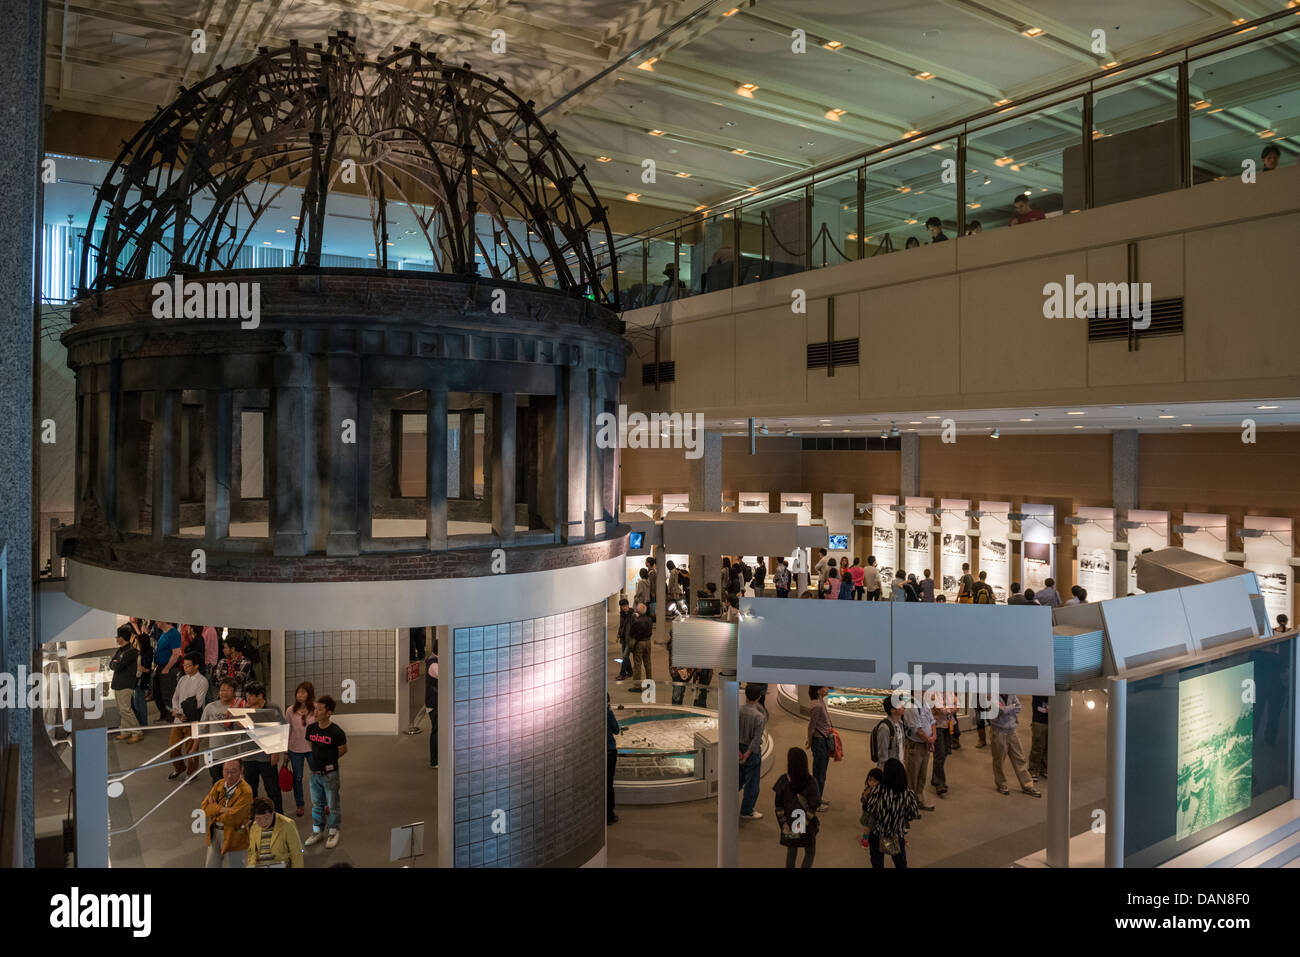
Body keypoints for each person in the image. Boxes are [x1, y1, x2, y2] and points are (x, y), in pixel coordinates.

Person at [305, 694, 347, 849]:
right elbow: (310, 744)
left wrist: (328, 761)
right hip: (314, 774)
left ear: (329, 713)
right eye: (315, 708)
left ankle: (333, 831)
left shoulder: (336, 732)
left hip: (330, 775)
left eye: (319, 709)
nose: (315, 712)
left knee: (333, 804)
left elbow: (343, 750)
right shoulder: (311, 729)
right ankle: (317, 831)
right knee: (316, 804)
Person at [861, 757, 919, 869]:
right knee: (901, 864)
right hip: (896, 834)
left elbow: (868, 809)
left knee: (877, 863)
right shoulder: (908, 794)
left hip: (877, 834)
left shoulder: (878, 791)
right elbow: (912, 815)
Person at [773, 747, 821, 868]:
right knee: (810, 851)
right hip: (807, 826)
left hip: (789, 824)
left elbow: (778, 805)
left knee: (791, 851)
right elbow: (814, 806)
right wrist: (803, 824)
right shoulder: (811, 782)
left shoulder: (783, 780)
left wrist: (784, 823)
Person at [241, 680, 284, 813]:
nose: (247, 698)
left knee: (273, 789)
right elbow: (242, 734)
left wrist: (276, 752)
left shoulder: (273, 708)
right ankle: (254, 816)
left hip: (266, 756)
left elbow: (281, 730)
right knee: (250, 789)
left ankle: (278, 815)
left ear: (260, 696)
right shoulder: (245, 710)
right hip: (249, 756)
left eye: (250, 695)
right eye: (246, 695)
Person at [200, 758, 252, 868]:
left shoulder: (246, 791)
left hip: (235, 835)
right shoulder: (218, 784)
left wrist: (214, 810)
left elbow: (235, 818)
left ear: (241, 770)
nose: (229, 775)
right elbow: (205, 807)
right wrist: (222, 809)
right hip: (215, 833)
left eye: (233, 771)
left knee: (234, 865)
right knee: (211, 865)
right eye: (226, 771)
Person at [167, 653, 209, 780]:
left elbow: (198, 703)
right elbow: (175, 697)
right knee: (173, 747)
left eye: (188, 665)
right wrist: (176, 711)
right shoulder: (182, 679)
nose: (185, 668)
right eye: (184, 665)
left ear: (196, 666)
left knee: (191, 749)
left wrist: (181, 712)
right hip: (178, 720)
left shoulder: (202, 681)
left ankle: (192, 773)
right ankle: (179, 767)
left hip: (192, 720)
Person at [990, 694, 1041, 797]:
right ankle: (1001, 784)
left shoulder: (1011, 693)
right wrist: (1012, 706)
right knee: (999, 760)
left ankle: (1027, 785)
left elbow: (1019, 707)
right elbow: (1000, 711)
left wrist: (1008, 708)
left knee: (1020, 758)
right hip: (998, 732)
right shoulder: (991, 695)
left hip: (1012, 731)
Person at [200, 678, 244, 783]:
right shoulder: (210, 707)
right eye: (222, 690)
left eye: (228, 690)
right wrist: (193, 747)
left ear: (234, 692)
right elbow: (201, 729)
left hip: (233, 753)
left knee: (232, 781)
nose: (224, 692)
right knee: (216, 781)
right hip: (213, 753)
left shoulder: (240, 707)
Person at [902, 692, 936, 811]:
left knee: (922, 775)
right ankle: (910, 805)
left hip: (925, 745)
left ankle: (919, 801)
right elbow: (917, 730)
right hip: (915, 746)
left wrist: (932, 738)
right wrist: (929, 740)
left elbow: (932, 721)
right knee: (912, 776)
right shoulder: (911, 707)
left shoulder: (924, 704)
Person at [284, 682, 315, 817]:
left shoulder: (315, 708)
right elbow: (287, 730)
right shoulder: (290, 710)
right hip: (295, 749)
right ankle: (300, 804)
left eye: (303, 692)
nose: (300, 695)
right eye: (298, 692)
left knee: (318, 777)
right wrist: (285, 751)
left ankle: (323, 803)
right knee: (297, 778)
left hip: (313, 749)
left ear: (309, 694)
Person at [247, 796, 304, 868]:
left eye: (266, 817)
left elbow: (296, 854)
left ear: (272, 812)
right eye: (258, 819)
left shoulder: (287, 824)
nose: (263, 822)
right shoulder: (254, 826)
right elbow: (251, 852)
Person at [738, 685, 767, 821]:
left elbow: (733, 731)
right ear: (759, 697)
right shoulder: (760, 717)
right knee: (752, 784)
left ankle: (725, 800)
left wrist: (738, 751)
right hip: (752, 753)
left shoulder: (737, 711)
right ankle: (747, 811)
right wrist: (747, 754)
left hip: (738, 749)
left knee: (737, 778)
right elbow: (756, 739)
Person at [109, 626, 142, 743]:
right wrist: (114, 663)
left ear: (122, 638)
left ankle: (137, 732)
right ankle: (125, 731)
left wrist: (115, 663)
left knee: (125, 710)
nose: (116, 639)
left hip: (125, 684)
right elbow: (111, 663)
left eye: (117, 637)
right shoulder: (121, 650)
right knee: (121, 710)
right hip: (118, 683)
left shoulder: (131, 651)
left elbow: (117, 666)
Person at [805, 686, 834, 811]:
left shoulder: (821, 702)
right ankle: (815, 803)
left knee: (821, 772)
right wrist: (809, 740)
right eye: (824, 687)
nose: (827, 688)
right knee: (819, 774)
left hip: (823, 741)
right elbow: (812, 726)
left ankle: (818, 798)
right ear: (818, 691)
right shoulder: (817, 706)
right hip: (819, 742)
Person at [153, 621, 183, 723]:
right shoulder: (164, 633)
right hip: (161, 667)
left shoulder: (174, 633)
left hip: (168, 668)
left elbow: (176, 654)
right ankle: (164, 714)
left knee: (168, 694)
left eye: (158, 620)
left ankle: (171, 717)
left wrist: (167, 668)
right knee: (157, 693)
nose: (156, 622)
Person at [931, 690, 959, 795]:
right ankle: (940, 782)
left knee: (946, 751)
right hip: (937, 726)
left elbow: (957, 705)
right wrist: (950, 709)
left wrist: (948, 709)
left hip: (949, 725)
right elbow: (938, 709)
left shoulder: (950, 691)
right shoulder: (933, 692)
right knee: (940, 754)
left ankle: (935, 778)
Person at [871, 694, 905, 771]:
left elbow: (900, 747)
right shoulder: (885, 728)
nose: (903, 706)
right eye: (900, 704)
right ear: (892, 710)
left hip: (898, 766)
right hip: (889, 770)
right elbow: (883, 756)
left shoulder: (900, 724)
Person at [628, 602, 654, 686]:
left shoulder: (637, 621)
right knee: (648, 663)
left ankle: (637, 686)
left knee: (637, 664)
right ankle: (649, 683)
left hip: (639, 643)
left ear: (638, 611)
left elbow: (631, 633)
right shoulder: (649, 619)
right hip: (648, 642)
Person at [607, 694, 621, 824]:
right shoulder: (607, 713)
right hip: (609, 751)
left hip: (598, 751)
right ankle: (609, 815)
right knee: (609, 784)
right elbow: (616, 730)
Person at [1029, 694, 1049, 781]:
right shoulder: (1038, 692)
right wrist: (1046, 709)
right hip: (1039, 722)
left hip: (1050, 721)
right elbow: (1036, 706)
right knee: (1037, 747)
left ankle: (1043, 769)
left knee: (1047, 747)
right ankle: (1033, 770)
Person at [425, 643, 439, 768]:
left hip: (435, 703)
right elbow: (445, 676)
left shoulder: (434, 661)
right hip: (434, 705)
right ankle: (434, 761)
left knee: (438, 731)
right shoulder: (434, 665)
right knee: (436, 731)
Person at [615, 597, 633, 681]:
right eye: (622, 606)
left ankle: (622, 674)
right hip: (623, 638)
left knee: (625, 656)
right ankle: (630, 672)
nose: (624, 608)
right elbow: (621, 626)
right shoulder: (622, 614)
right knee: (625, 656)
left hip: (630, 639)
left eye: (625, 606)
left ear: (628, 605)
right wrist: (618, 636)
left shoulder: (633, 614)